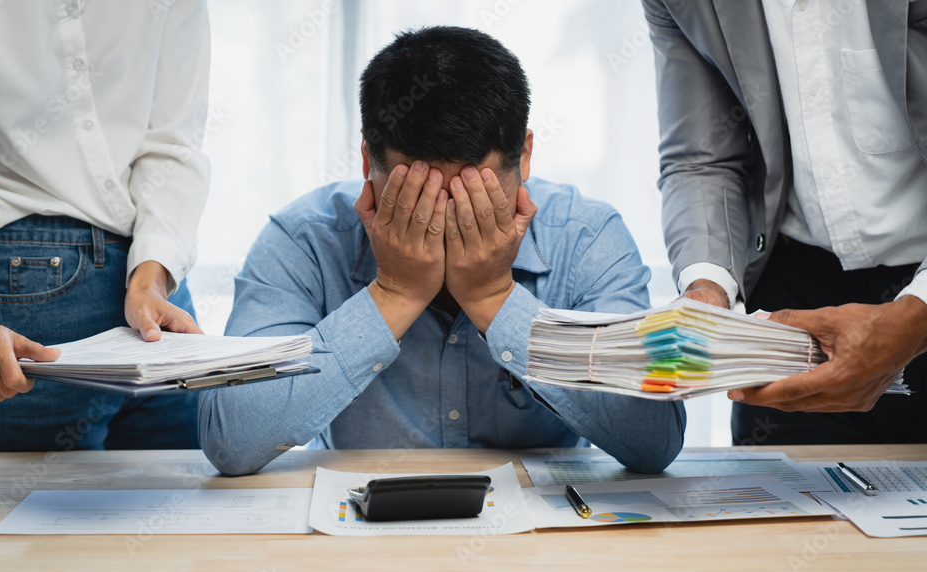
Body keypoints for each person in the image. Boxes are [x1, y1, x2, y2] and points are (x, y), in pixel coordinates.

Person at [199, 26, 685, 476]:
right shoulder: (304, 240)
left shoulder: (587, 237)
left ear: (526, 156)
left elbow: (655, 440)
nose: (449, 220)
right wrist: (394, 293)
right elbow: (233, 439)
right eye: (418, 195)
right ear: (369, 161)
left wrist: (496, 298)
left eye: (475, 194)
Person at [644, 0, 927, 445]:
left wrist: (922, 311)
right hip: (793, 300)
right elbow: (701, 157)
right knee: (782, 508)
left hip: (925, 281)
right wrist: (706, 287)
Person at [0, 0, 211, 451]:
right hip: (26, 298)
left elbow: (174, 143)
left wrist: (152, 281)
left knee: (178, 506)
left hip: (156, 295)